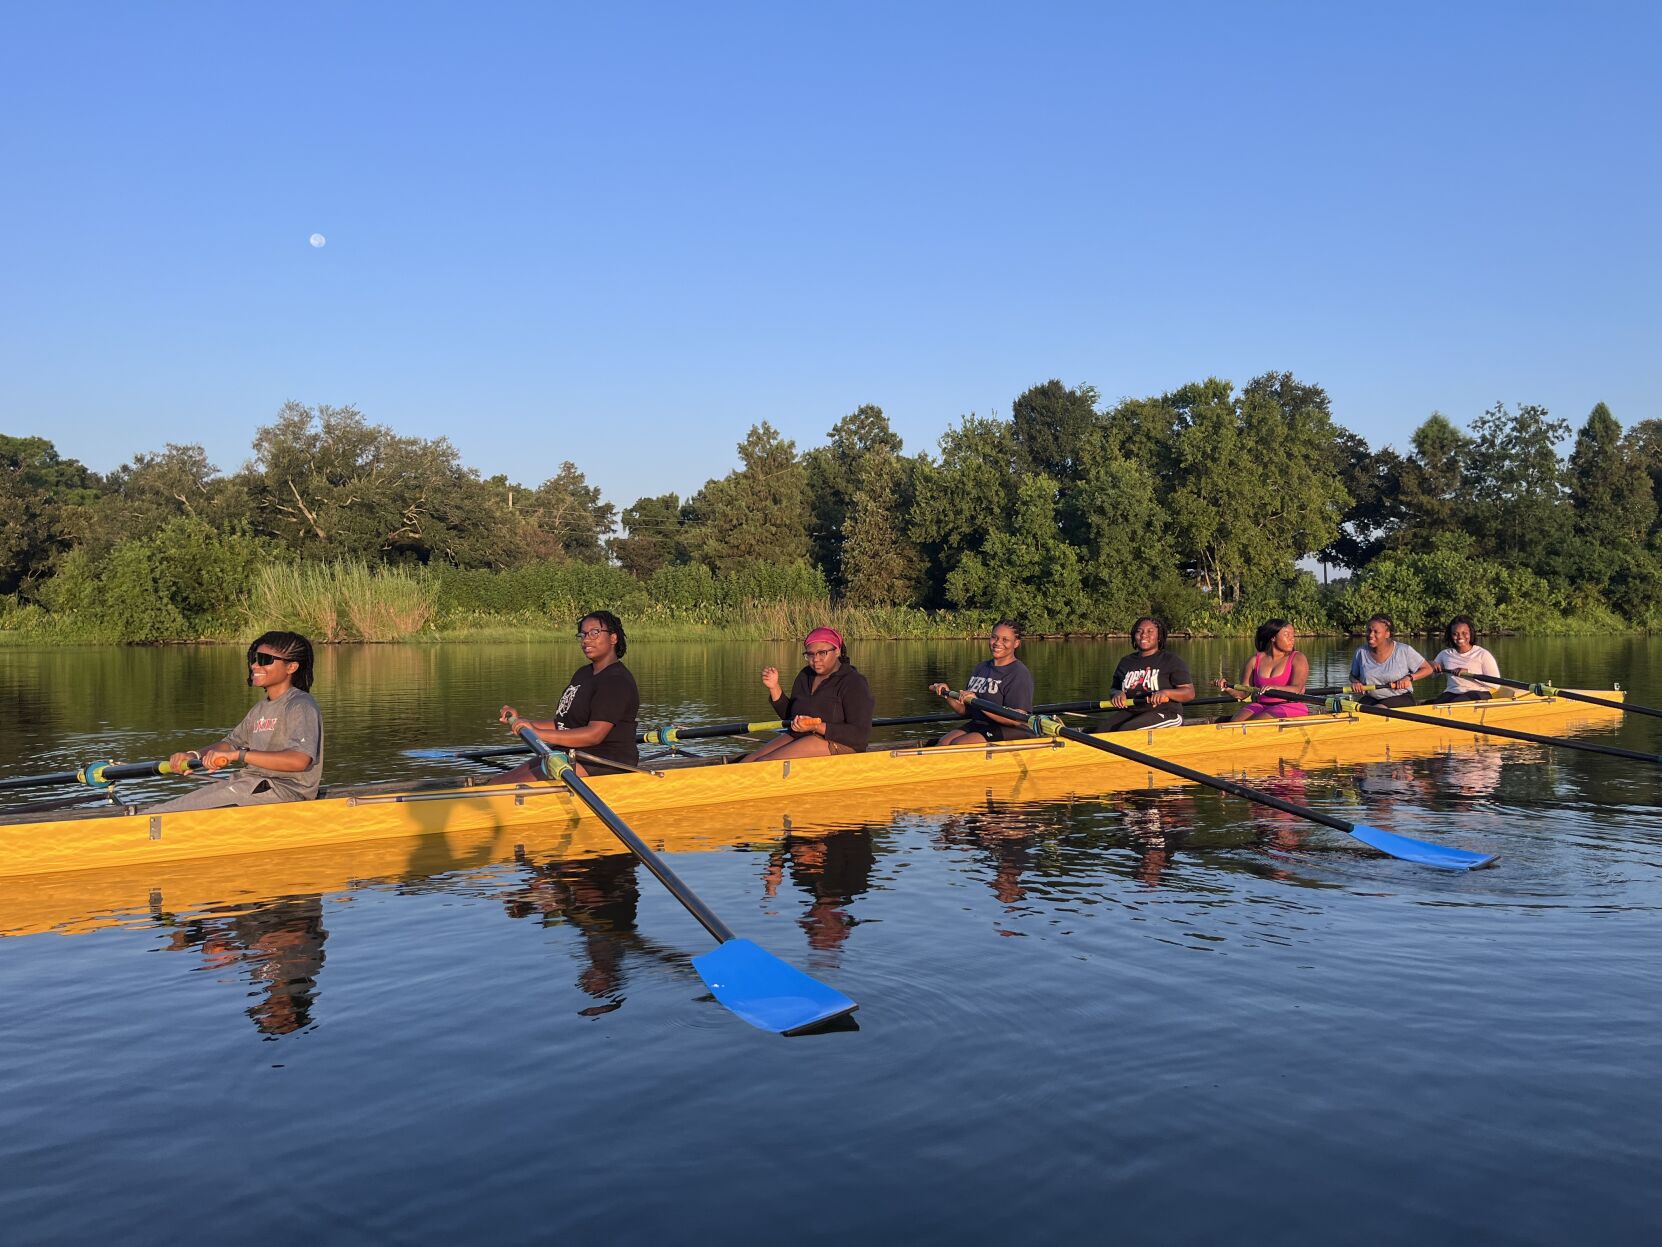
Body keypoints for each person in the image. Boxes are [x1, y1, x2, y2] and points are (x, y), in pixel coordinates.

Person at [151, 631, 323, 812]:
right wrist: (194, 755)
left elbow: (299, 761)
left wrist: (239, 755)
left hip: (285, 791)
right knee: (162, 810)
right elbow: (231, 744)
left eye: (265, 659)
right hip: (251, 785)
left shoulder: (301, 705)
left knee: (165, 815)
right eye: (254, 658)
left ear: (291, 667)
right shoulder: (259, 709)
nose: (255, 665)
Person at [499, 610, 640, 778]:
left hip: (607, 760)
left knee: (515, 787)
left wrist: (536, 733)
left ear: (613, 638)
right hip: (574, 753)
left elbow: (593, 735)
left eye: (594, 633)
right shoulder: (583, 674)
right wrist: (524, 722)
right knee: (500, 781)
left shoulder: (616, 681)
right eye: (583, 634)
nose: (586, 639)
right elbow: (564, 723)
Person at [739, 626, 874, 763]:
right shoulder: (805, 676)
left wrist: (815, 726)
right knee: (749, 761)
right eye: (810, 654)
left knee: (766, 762)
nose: (815, 659)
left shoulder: (854, 681)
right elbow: (790, 717)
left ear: (837, 651)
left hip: (839, 743)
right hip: (802, 735)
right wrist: (774, 687)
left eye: (822, 653)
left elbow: (860, 734)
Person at [929, 619, 1035, 745]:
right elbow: (966, 711)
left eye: (1005, 640)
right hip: (981, 724)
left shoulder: (1019, 673)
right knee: (944, 742)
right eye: (994, 637)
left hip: (1011, 729)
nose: (997, 643)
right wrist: (947, 694)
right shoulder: (980, 668)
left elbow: (1018, 720)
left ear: (1016, 643)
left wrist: (979, 703)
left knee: (959, 744)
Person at [1099, 616, 1195, 731]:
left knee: (1127, 730)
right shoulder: (1126, 662)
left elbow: (1189, 693)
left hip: (1167, 713)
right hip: (1133, 712)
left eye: (1150, 631)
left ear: (1159, 636)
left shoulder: (1171, 660)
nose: (1144, 635)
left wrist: (1166, 693)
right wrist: (1117, 694)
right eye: (1139, 631)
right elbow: (1114, 688)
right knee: (1101, 731)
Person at [1215, 618, 1311, 721]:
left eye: (1293, 635)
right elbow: (1243, 693)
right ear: (1273, 637)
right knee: (1235, 722)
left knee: (1255, 724)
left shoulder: (1298, 658)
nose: (1292, 639)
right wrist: (1227, 688)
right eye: (1287, 635)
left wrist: (1274, 688)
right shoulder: (1254, 661)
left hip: (1290, 706)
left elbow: (1296, 689)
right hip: (1261, 705)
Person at [1349, 614, 1433, 707]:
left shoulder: (1404, 650)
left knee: (1378, 708)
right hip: (1372, 698)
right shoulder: (1360, 652)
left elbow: (1428, 669)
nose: (1371, 635)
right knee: (1351, 709)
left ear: (1387, 634)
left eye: (1376, 632)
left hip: (1401, 697)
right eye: (1369, 631)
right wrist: (1356, 683)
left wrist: (1409, 678)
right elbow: (1353, 676)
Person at [1430, 615, 1501, 703]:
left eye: (1464, 633)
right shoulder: (1445, 654)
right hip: (1452, 692)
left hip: (1479, 693)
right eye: (1455, 634)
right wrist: (1431, 666)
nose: (1460, 637)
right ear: (1450, 635)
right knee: (1435, 704)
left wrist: (1469, 673)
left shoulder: (1483, 654)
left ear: (1470, 633)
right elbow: (1432, 675)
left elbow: (1496, 684)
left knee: (1456, 703)